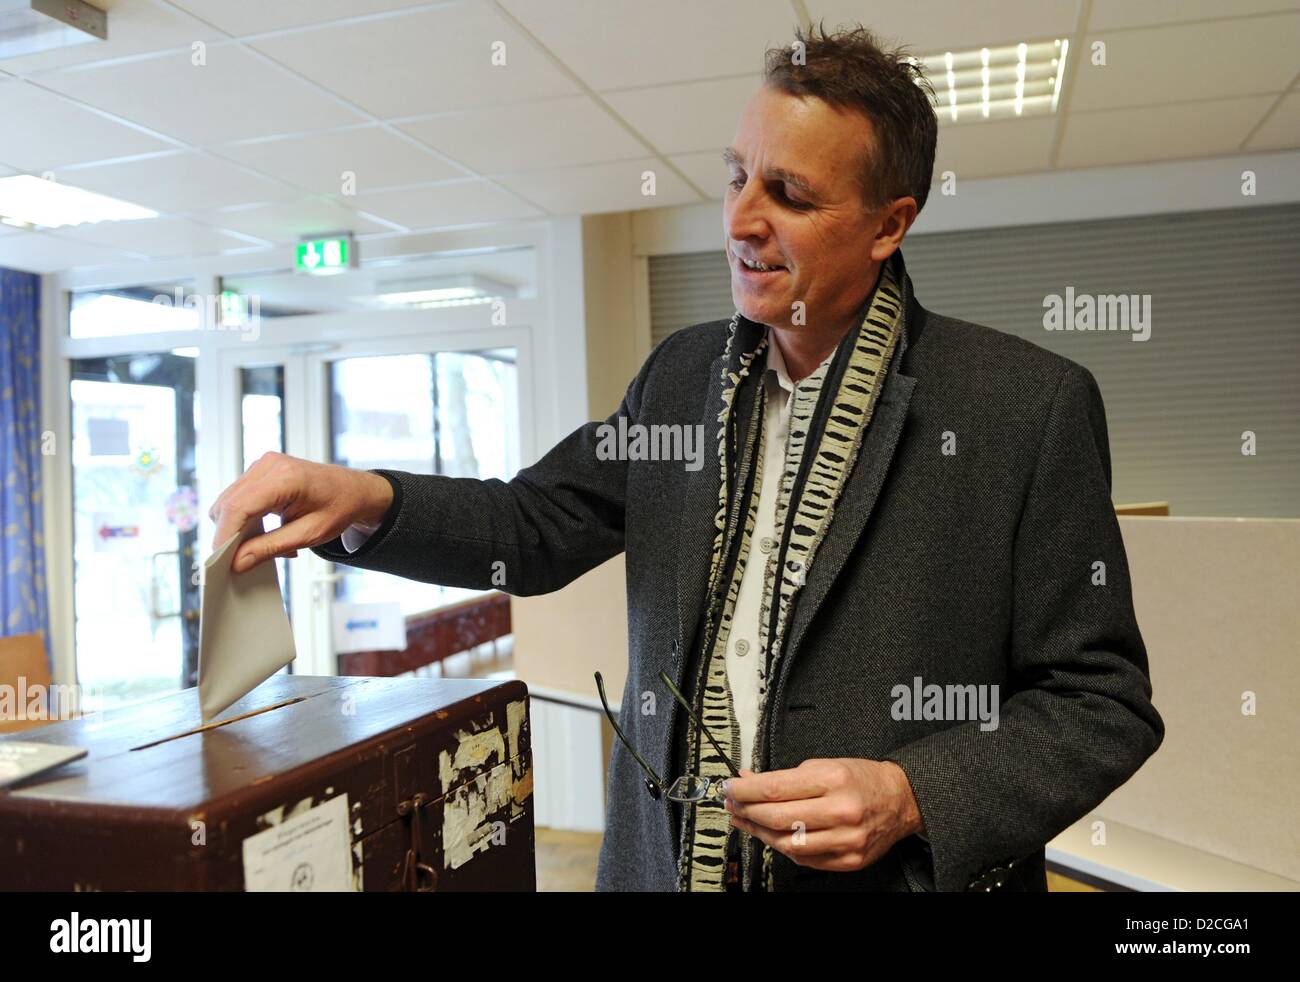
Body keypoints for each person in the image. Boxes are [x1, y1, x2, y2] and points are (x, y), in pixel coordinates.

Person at [211, 23, 1164, 892]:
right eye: (737, 175)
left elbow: (1101, 703)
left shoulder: (1025, 407)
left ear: (889, 224)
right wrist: (367, 498)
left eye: (789, 194)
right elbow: (534, 524)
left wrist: (911, 794)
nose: (742, 219)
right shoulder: (680, 379)